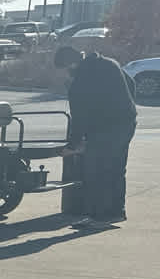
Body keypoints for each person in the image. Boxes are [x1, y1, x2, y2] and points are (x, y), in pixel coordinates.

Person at [55, 44, 136, 227]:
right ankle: (116, 212)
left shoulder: (80, 82)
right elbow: (132, 84)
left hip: (104, 129)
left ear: (70, 64)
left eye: (63, 69)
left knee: (98, 172)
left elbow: (79, 118)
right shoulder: (110, 63)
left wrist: (72, 146)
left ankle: (100, 217)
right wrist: (129, 108)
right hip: (127, 122)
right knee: (116, 170)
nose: (64, 74)